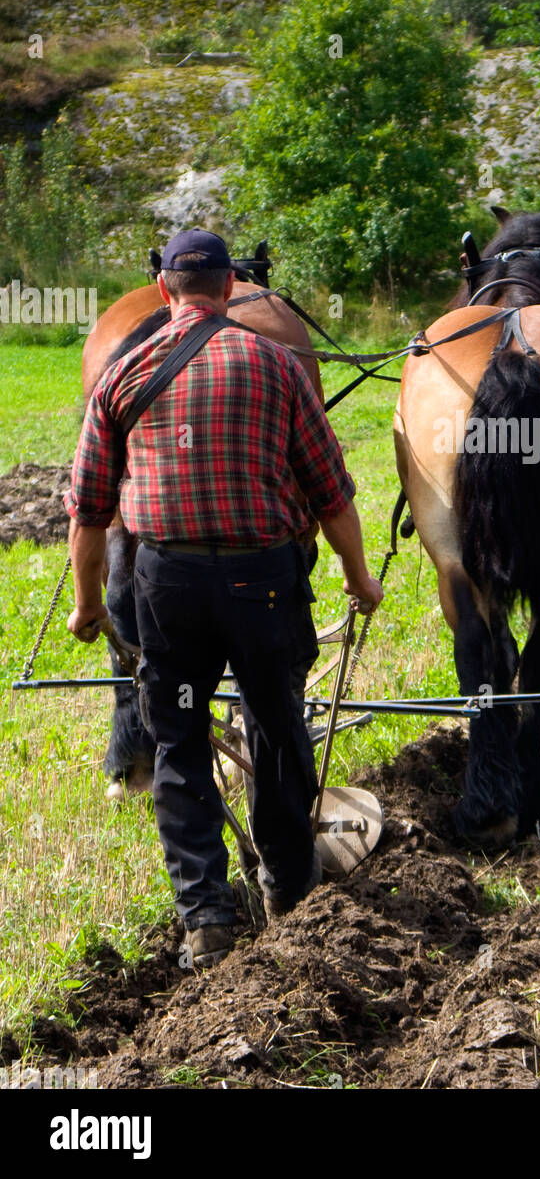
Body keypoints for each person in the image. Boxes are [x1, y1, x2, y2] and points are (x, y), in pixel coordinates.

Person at [63, 229, 384, 968]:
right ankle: (290, 883)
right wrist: (358, 576)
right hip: (263, 581)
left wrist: (88, 604)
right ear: (233, 284)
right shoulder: (277, 364)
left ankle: (205, 915)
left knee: (177, 742)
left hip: (165, 584)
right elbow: (330, 491)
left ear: (165, 287)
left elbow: (87, 510)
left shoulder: (122, 373)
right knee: (277, 727)